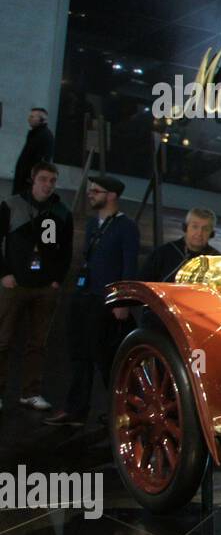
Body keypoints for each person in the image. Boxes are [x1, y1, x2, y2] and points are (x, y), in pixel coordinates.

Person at [44, 174, 139, 428]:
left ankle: (122, 413)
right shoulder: (92, 223)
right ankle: (76, 410)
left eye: (96, 191)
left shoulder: (126, 227)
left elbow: (129, 265)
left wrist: (123, 301)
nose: (91, 194)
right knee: (79, 355)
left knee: (107, 360)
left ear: (112, 196)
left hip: (106, 301)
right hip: (83, 296)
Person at [0, 162, 72, 412]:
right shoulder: (12, 206)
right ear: (33, 179)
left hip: (45, 288)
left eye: (52, 180)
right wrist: (4, 273)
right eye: (43, 179)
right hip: (15, 284)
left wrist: (56, 280)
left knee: (38, 343)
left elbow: (66, 251)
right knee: (3, 340)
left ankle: (30, 392)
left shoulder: (62, 212)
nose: (48, 184)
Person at [140, 208, 221, 283]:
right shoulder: (163, 253)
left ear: (212, 233)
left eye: (205, 229)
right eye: (195, 227)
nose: (199, 233)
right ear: (185, 228)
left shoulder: (218, 260)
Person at [12, 107, 55, 192]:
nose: (29, 119)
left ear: (41, 119)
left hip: (29, 182)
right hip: (25, 180)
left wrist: (32, 179)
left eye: (32, 117)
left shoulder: (43, 136)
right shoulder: (36, 134)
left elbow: (41, 160)